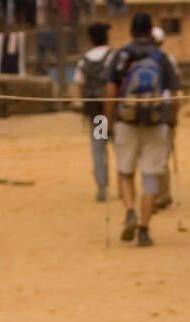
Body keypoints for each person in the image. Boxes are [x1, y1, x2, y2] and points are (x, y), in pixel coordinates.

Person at [104, 12, 180, 247]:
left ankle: (129, 211)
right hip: (156, 123)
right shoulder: (162, 58)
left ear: (131, 31)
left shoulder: (122, 55)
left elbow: (110, 91)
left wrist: (108, 120)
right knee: (150, 176)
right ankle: (145, 229)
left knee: (125, 171)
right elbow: (174, 96)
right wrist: (172, 120)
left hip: (126, 122)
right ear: (150, 31)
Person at [73, 21, 114, 202]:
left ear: (90, 39)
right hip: (115, 111)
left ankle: (102, 187)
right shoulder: (114, 56)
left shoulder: (85, 59)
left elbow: (79, 82)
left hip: (97, 114)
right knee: (120, 149)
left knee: (99, 149)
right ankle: (125, 185)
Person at [150, 26, 180, 211]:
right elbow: (176, 90)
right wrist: (175, 116)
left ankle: (158, 194)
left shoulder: (140, 60)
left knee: (151, 154)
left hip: (149, 111)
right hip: (167, 109)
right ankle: (163, 192)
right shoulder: (169, 60)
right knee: (163, 153)